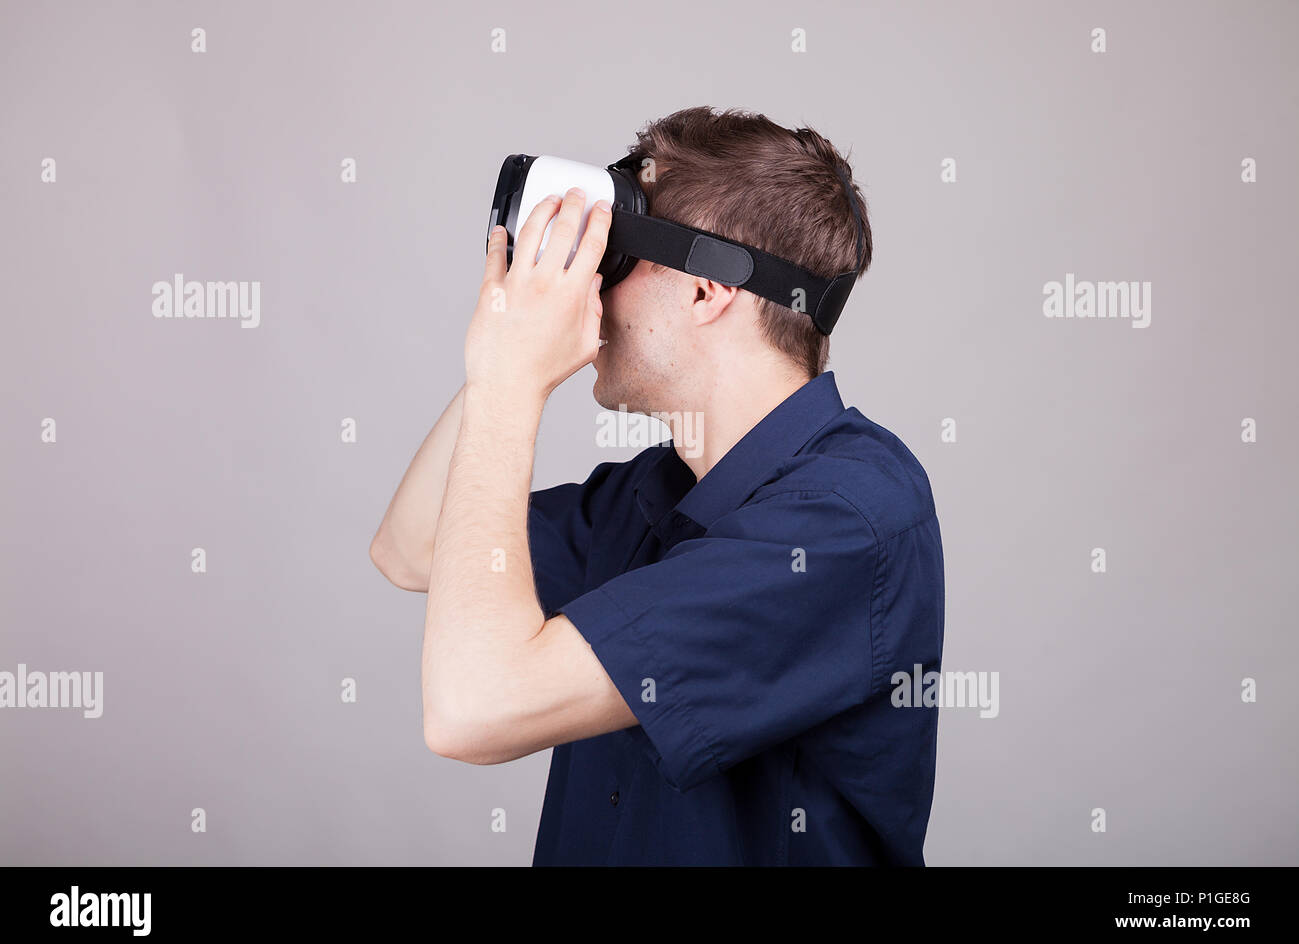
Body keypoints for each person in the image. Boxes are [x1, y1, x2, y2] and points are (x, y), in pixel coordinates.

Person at [370, 106, 945, 865]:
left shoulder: (845, 521)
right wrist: (501, 352)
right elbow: (412, 550)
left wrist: (514, 382)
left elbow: (471, 712)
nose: (589, 289)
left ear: (709, 290)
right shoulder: (657, 490)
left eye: (610, 259)